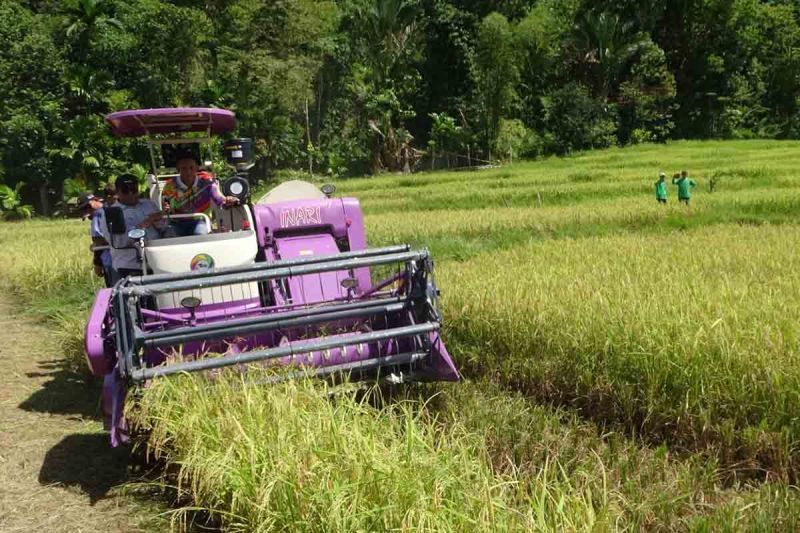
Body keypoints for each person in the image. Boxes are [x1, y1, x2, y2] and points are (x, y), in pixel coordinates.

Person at [101, 174, 165, 281]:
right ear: (117, 192)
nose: (130, 193)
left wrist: (161, 221)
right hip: (130, 265)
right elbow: (118, 242)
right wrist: (145, 223)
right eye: (125, 190)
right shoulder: (112, 213)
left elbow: (164, 229)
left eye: (133, 189)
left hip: (157, 261)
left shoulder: (149, 204)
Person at [160, 152, 238, 236]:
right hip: (177, 222)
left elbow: (220, 200)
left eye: (191, 168)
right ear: (178, 169)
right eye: (184, 168)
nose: (188, 172)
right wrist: (166, 208)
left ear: (197, 168)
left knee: (200, 234)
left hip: (200, 221)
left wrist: (229, 201)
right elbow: (165, 207)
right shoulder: (170, 186)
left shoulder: (207, 182)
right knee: (170, 235)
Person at [78, 192, 115, 287]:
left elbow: (98, 240)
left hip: (110, 261)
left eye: (87, 207)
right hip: (125, 260)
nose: (87, 210)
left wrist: (97, 263)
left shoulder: (98, 214)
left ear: (94, 201)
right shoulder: (113, 208)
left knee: (117, 292)